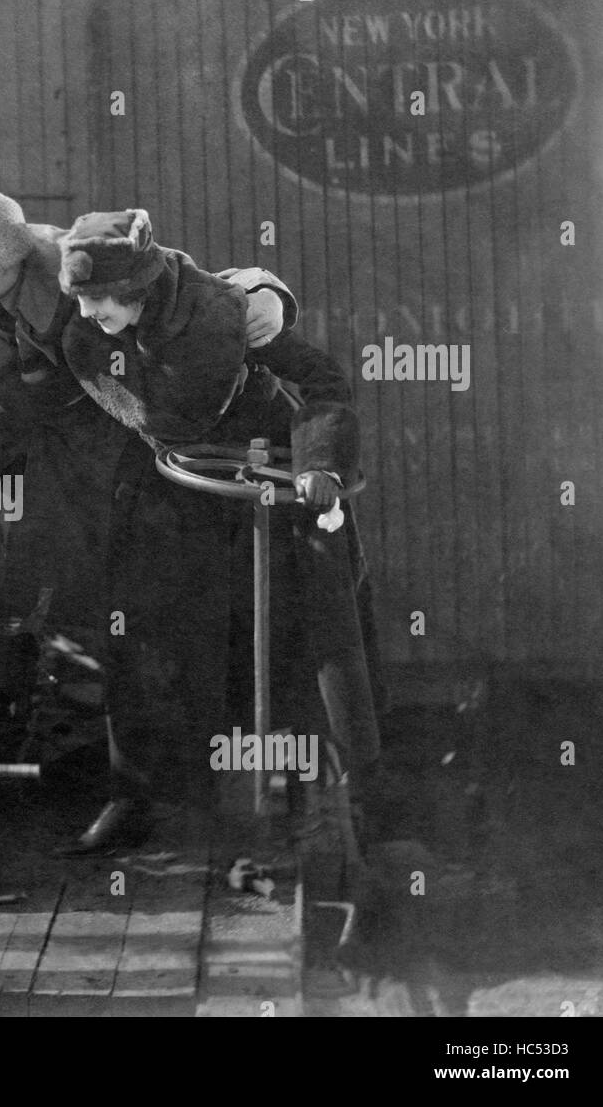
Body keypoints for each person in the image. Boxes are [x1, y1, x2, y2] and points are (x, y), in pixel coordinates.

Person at [52, 209, 379, 854]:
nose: (87, 314)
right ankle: (138, 794)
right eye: (80, 299)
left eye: (98, 300)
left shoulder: (232, 314)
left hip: (261, 478)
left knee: (291, 628)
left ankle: (322, 797)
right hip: (167, 486)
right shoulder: (90, 331)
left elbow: (323, 381)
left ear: (138, 288)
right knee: (142, 634)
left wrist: (318, 465)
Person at [0, 186, 296, 636]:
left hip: (177, 449)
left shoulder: (77, 260)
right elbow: (21, 394)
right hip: (73, 444)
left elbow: (183, 282)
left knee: (193, 606)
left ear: (2, 262)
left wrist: (265, 292)